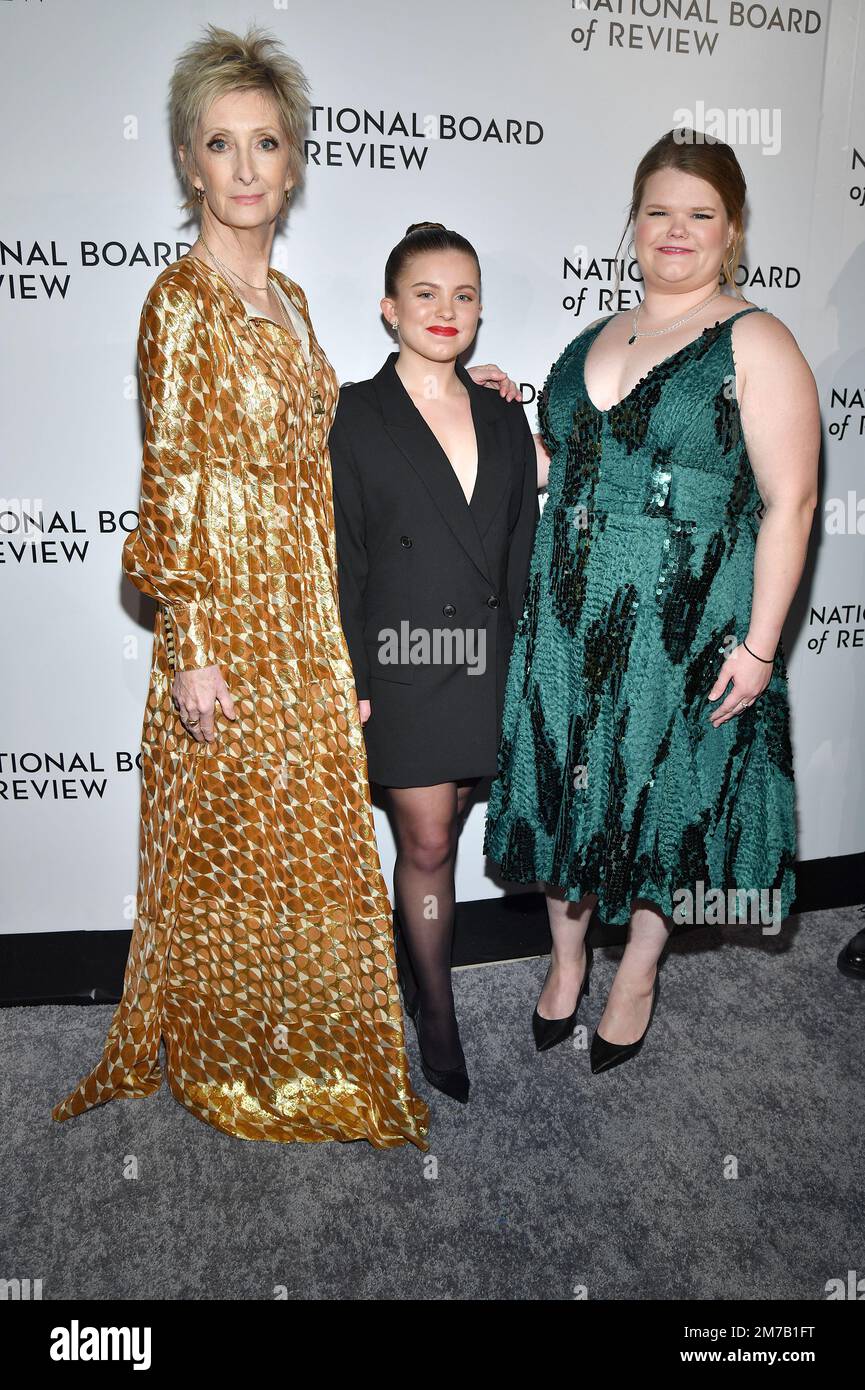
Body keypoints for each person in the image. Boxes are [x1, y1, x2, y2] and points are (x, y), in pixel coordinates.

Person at [484, 129, 819, 1074]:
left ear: (732, 229)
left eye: (699, 215)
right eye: (658, 213)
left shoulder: (754, 339)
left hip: (682, 630)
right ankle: (563, 961)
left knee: (660, 801)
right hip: (565, 616)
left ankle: (636, 967)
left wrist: (758, 648)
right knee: (562, 788)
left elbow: (791, 502)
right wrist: (494, 414)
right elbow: (557, 468)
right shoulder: (592, 337)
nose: (676, 232)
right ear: (632, 225)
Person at [328, 223, 539, 1103]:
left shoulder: (500, 410)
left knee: (449, 825)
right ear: (389, 309)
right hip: (403, 659)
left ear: (480, 310)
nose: (444, 311)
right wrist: (355, 677)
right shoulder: (350, 412)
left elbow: (518, 552)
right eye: (425, 294)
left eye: (462, 296)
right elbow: (342, 557)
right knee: (423, 838)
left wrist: (527, 665)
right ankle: (438, 1008)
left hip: (484, 662)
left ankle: (412, 963)